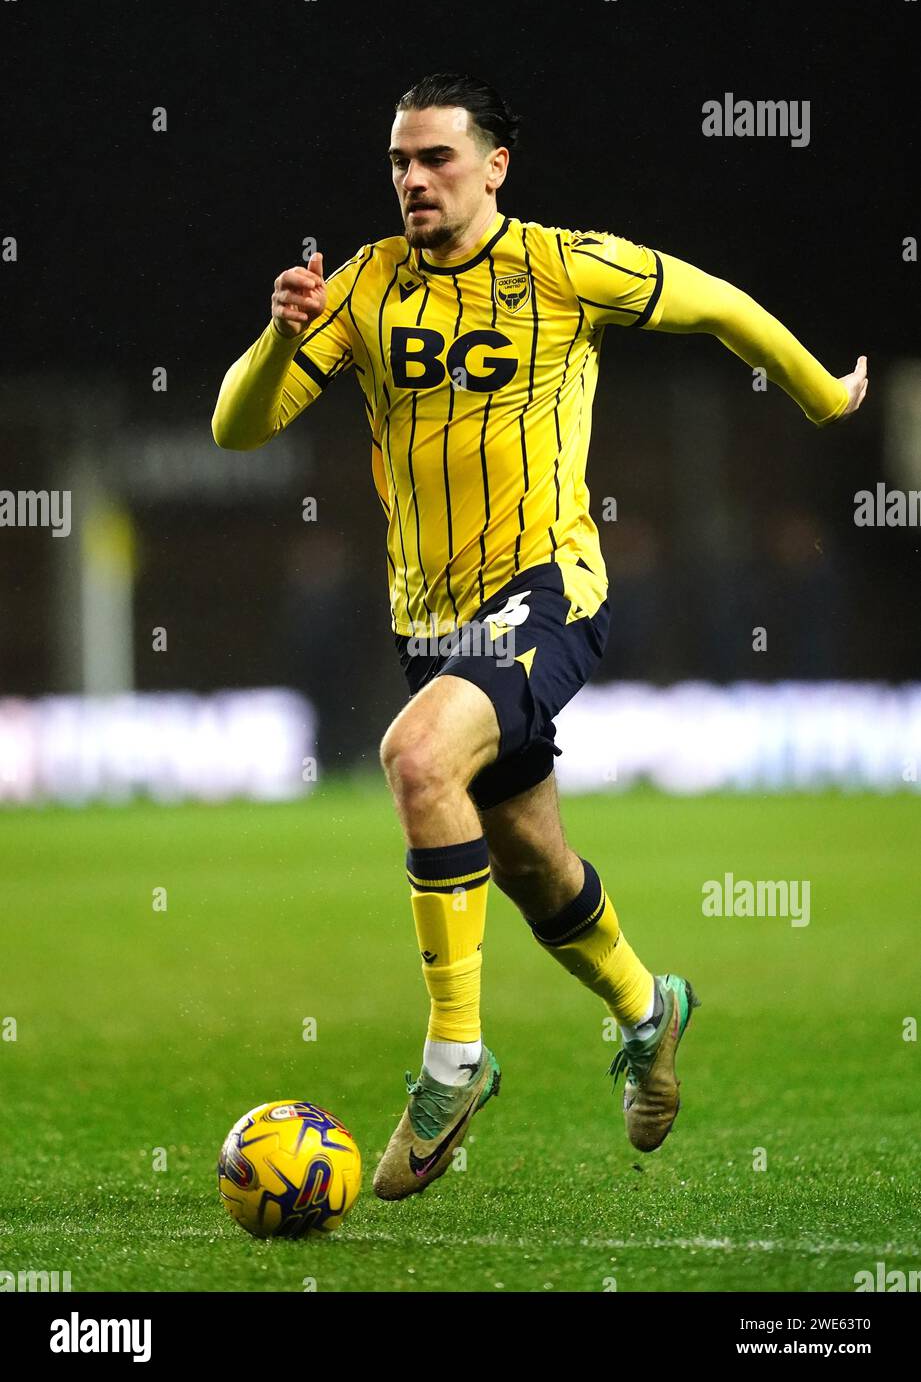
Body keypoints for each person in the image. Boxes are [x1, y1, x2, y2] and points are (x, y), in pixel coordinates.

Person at [212, 71, 868, 1202]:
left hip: (545, 590)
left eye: (438, 160)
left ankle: (454, 1062)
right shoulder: (364, 286)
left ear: (495, 167)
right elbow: (237, 426)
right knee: (526, 859)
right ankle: (648, 1006)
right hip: (431, 617)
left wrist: (821, 396)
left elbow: (713, 302)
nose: (415, 180)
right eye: (400, 163)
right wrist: (280, 339)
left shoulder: (560, 267)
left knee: (416, 759)